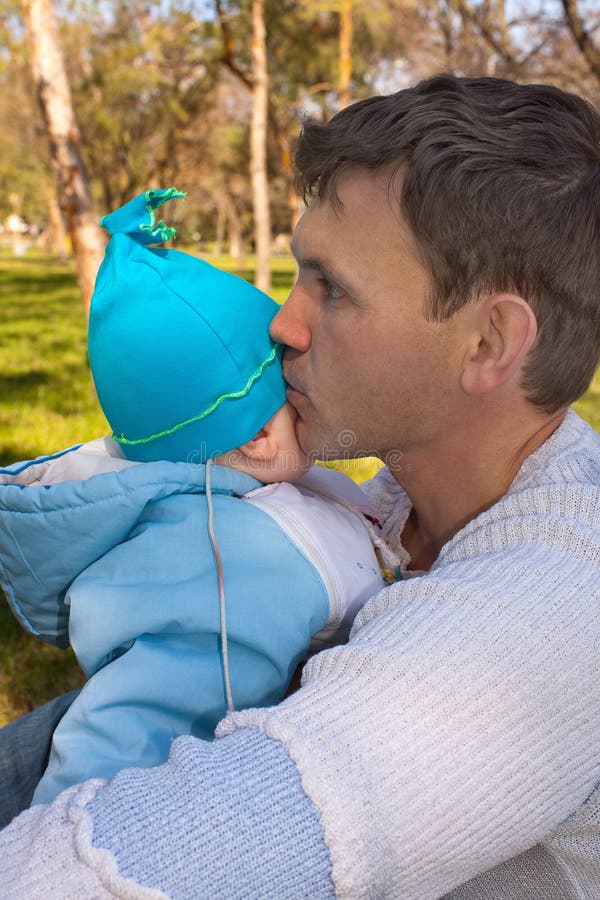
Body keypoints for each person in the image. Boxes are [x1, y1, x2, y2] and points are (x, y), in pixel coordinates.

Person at [0, 72, 599, 898]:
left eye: (333, 286)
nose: (282, 322)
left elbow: (139, 868)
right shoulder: (401, 496)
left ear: (490, 342)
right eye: (298, 273)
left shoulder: (544, 623)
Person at [0, 188, 387, 806]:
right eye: (293, 390)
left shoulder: (262, 493)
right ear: (260, 437)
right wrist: (59, 845)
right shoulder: (240, 565)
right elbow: (128, 729)